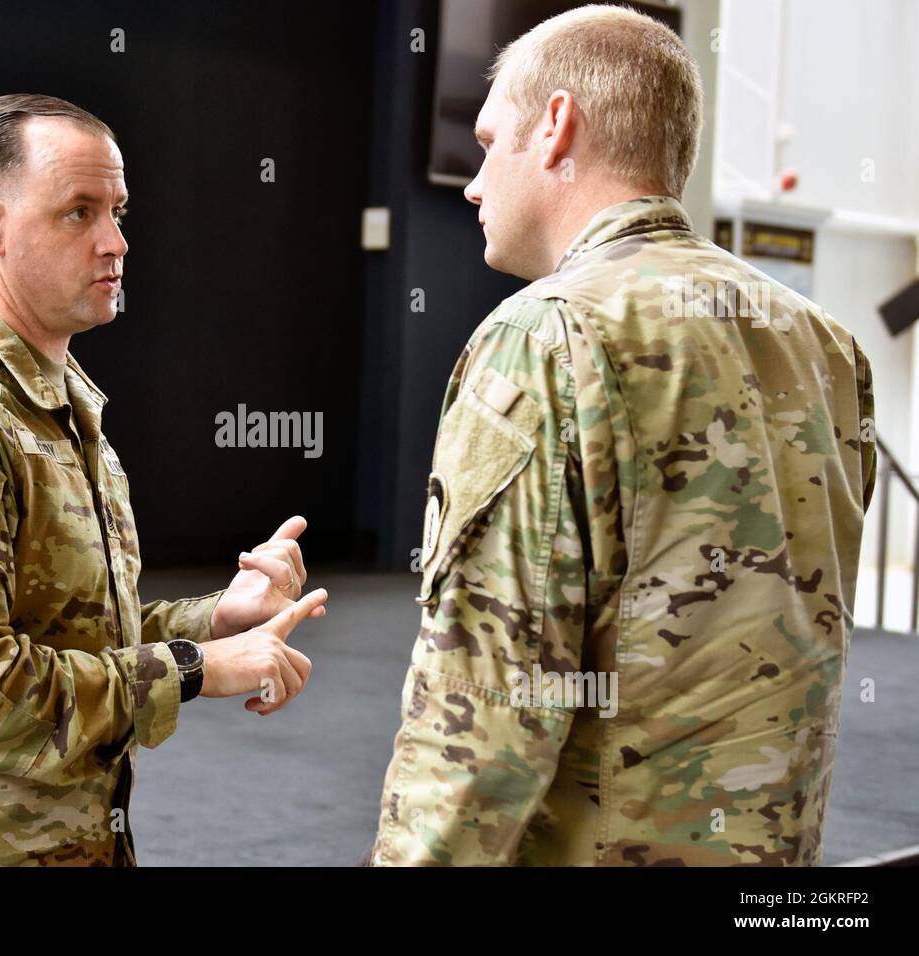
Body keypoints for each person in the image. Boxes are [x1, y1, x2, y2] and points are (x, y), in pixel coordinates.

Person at [370, 5, 875, 866]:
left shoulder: (545, 336)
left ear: (557, 127)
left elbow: (487, 707)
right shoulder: (823, 342)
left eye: (490, 143)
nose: (474, 182)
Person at [0, 94, 327, 866]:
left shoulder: (48, 401)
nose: (116, 242)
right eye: (79, 213)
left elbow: (65, 636)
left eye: (119, 210)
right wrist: (195, 671)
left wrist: (214, 621)